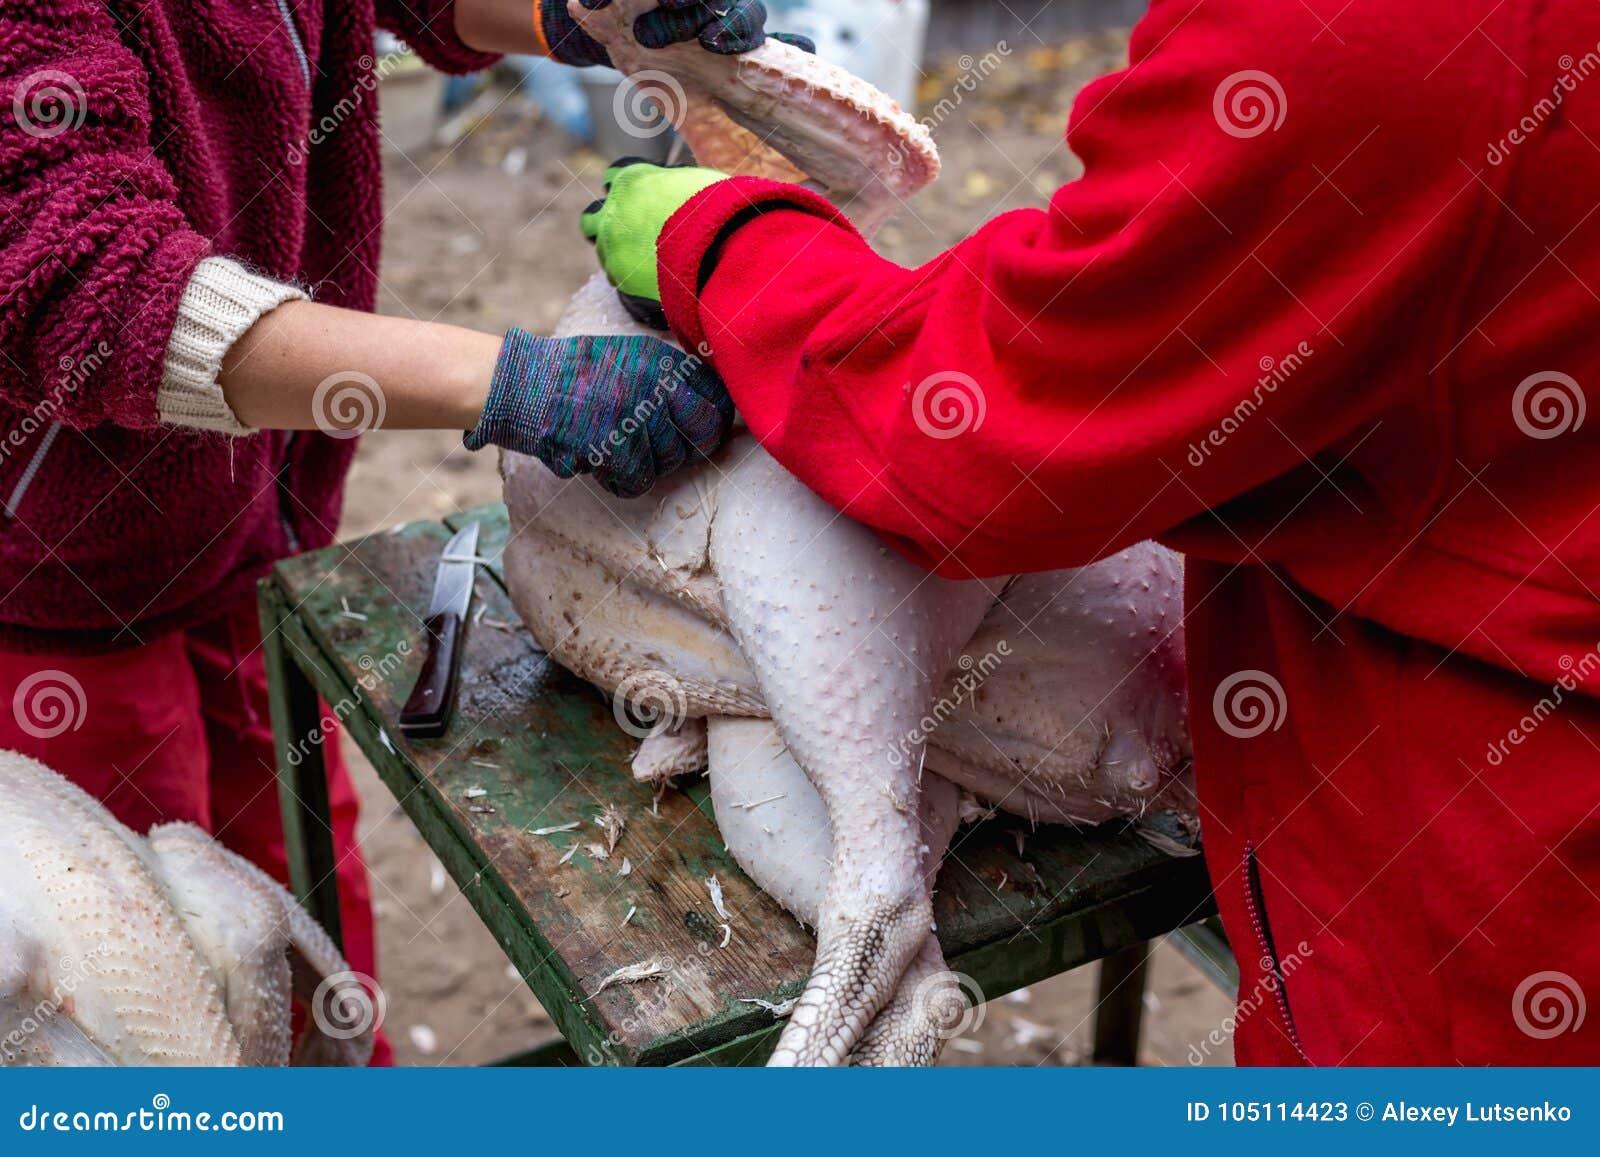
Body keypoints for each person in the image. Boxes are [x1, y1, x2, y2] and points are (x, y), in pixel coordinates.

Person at [578, 0, 1600, 1064]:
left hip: (1503, 911)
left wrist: (724, 244)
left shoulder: (1360, 38)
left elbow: (989, 419)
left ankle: (873, 907)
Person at [0, 0, 797, 1063]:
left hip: (251, 506)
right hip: (60, 583)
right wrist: (508, 382)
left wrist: (564, 14)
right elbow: (94, 287)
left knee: (304, 920)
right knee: (141, 994)